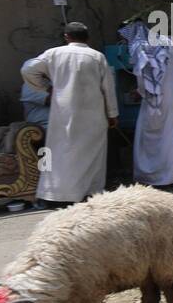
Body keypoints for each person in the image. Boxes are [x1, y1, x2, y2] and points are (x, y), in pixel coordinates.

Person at [21, 22, 118, 206]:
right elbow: (108, 88)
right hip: (93, 114)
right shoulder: (97, 57)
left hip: (63, 113)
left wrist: (45, 88)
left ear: (66, 37)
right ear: (88, 38)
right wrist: (112, 113)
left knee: (62, 153)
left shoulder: (53, 54)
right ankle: (90, 195)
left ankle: (58, 196)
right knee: (93, 156)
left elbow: (27, 69)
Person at [121, 22, 173, 187]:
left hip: (160, 99)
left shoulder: (141, 46)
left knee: (150, 137)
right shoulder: (166, 41)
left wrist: (139, 91)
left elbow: (145, 76)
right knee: (171, 137)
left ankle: (156, 177)